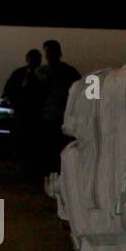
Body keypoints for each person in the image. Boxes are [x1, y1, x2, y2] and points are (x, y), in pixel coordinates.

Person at [35, 40, 80, 178]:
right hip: (47, 118)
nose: (49, 54)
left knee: (60, 150)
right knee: (49, 150)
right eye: (48, 51)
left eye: (51, 51)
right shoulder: (41, 72)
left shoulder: (67, 72)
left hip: (61, 118)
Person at [3, 49, 44, 162]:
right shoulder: (40, 73)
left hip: (28, 111)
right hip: (30, 111)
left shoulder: (22, 73)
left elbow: (8, 90)